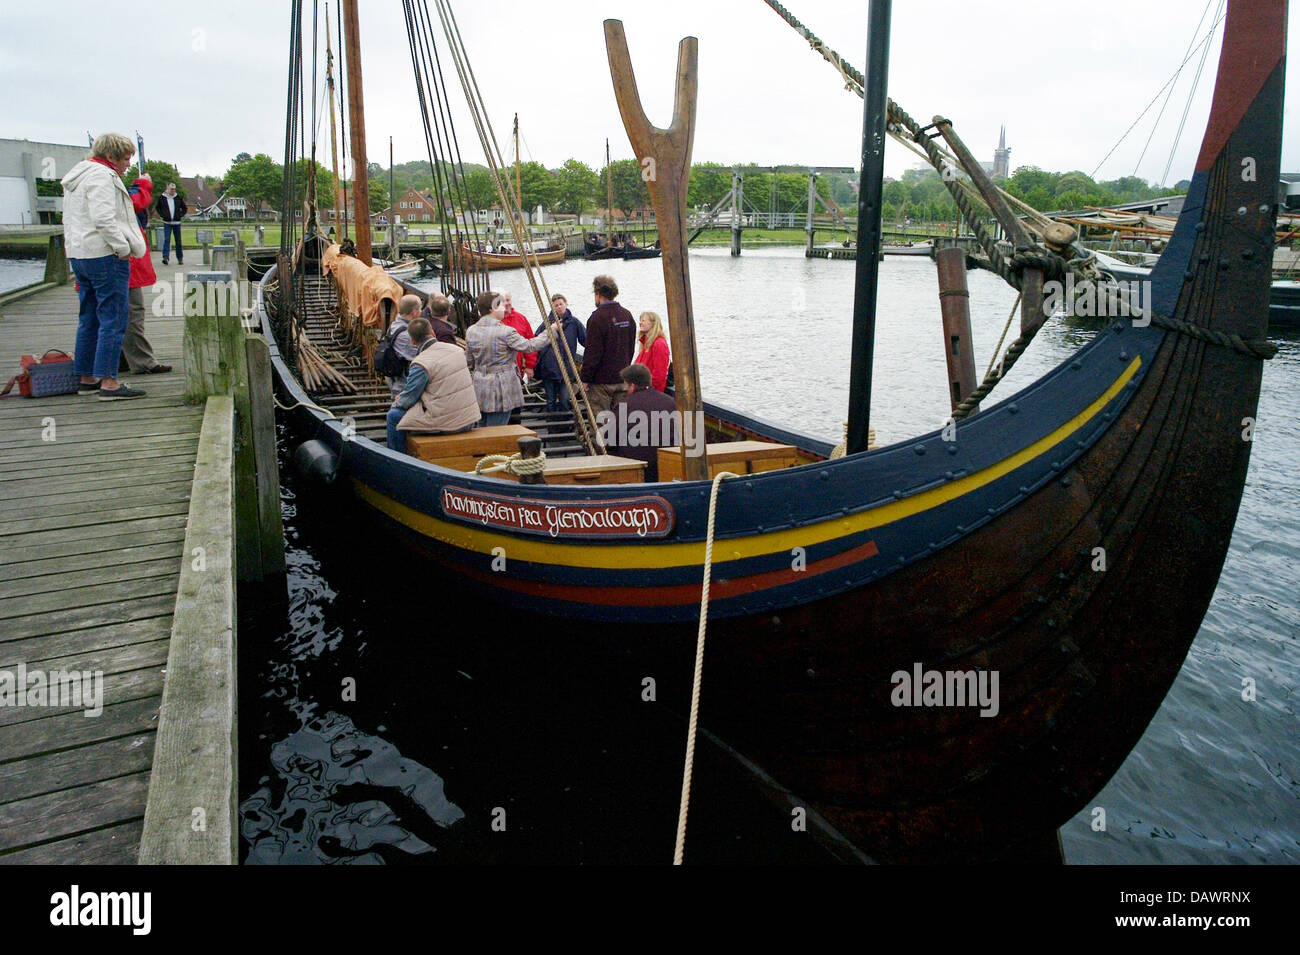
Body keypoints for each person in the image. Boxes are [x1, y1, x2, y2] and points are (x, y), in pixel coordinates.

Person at [61, 132, 148, 401]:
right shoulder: (102, 176)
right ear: (110, 156)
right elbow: (103, 218)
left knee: (89, 318)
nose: (127, 165)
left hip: (80, 255)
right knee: (113, 317)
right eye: (125, 159)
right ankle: (109, 381)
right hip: (104, 255)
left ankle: (86, 377)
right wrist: (122, 249)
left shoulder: (79, 176)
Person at [386, 318, 479, 454]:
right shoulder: (457, 350)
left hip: (449, 424)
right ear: (433, 333)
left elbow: (407, 401)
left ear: (412, 341)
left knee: (393, 416)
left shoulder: (421, 363)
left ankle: (397, 458)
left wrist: (398, 401)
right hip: (469, 418)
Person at [464, 290, 549, 427]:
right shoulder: (506, 332)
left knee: (481, 428)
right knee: (497, 430)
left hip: (479, 386)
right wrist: (550, 332)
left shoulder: (471, 331)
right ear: (493, 308)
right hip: (501, 389)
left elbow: (469, 360)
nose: (505, 308)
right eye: (502, 305)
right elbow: (529, 346)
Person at [121, 172, 171, 375]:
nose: (126, 167)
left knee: (111, 315)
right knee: (133, 312)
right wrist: (143, 184)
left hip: (95, 261)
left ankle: (120, 359)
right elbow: (134, 203)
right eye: (124, 159)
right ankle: (142, 361)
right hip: (122, 261)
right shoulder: (108, 182)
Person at [607, 363, 678, 482]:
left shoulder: (624, 406)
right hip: (667, 462)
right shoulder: (670, 402)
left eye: (626, 385)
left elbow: (608, 441)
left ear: (632, 385)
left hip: (637, 465)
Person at [579, 274, 636, 417]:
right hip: (622, 378)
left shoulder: (597, 318)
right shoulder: (627, 316)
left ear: (598, 294)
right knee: (622, 421)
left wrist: (585, 378)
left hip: (601, 383)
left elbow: (593, 353)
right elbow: (630, 348)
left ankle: (603, 440)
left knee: (602, 423)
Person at [532, 293, 585, 413]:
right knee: (550, 400)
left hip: (566, 368)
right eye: (556, 305)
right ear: (552, 307)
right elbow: (536, 341)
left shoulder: (574, 323)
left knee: (565, 398)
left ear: (566, 304)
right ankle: (552, 427)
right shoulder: (546, 324)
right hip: (549, 369)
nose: (559, 307)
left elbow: (585, 340)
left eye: (561, 304)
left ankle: (565, 425)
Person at [383, 295, 423, 396]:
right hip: (403, 386)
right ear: (414, 312)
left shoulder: (394, 325)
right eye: (420, 309)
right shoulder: (406, 335)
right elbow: (419, 358)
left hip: (395, 381)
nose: (421, 312)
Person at [499, 291, 538, 379]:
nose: (506, 303)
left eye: (508, 300)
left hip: (516, 369)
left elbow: (531, 342)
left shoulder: (521, 319)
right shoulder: (490, 320)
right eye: (503, 301)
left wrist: (529, 366)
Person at [634, 310, 670, 392]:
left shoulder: (659, 344)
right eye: (640, 320)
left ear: (653, 323)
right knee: (622, 402)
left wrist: (646, 389)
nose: (640, 323)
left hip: (649, 393)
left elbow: (659, 374)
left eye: (643, 320)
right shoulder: (646, 344)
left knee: (623, 402)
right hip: (640, 390)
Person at [154, 182, 187, 265]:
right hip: (167, 222)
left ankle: (180, 258)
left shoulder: (178, 197)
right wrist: (163, 215)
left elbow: (184, 208)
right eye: (171, 189)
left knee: (178, 241)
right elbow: (158, 207)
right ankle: (165, 257)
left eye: (174, 189)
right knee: (167, 240)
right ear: (167, 188)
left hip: (176, 222)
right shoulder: (162, 198)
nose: (173, 191)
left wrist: (180, 215)